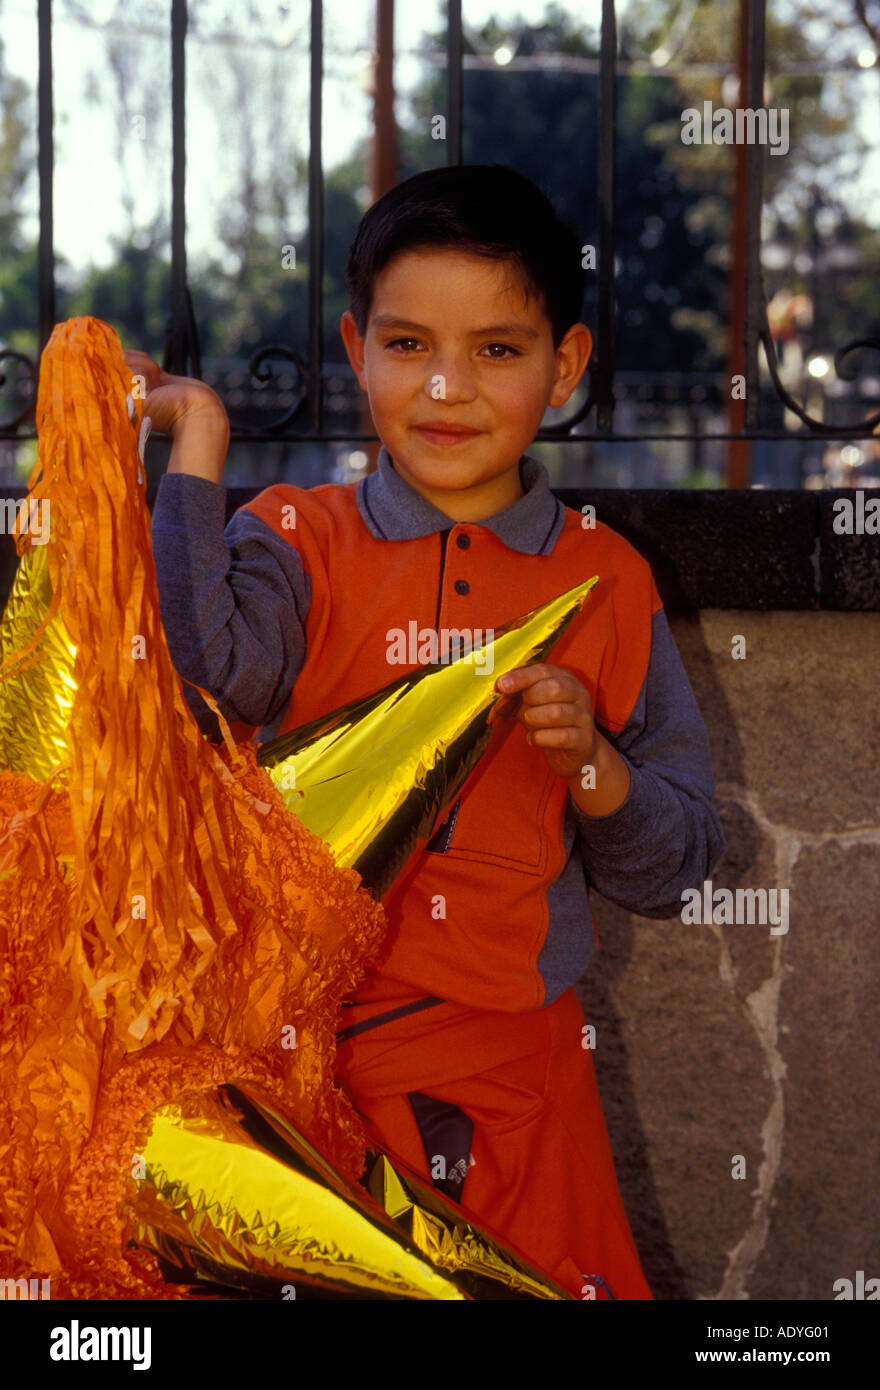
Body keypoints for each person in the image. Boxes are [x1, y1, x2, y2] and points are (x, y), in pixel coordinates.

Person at [133, 164, 726, 1301]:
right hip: (307, 1078)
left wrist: (592, 764)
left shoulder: (605, 581)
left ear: (566, 365)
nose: (447, 388)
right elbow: (210, 673)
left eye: (497, 351)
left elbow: (676, 863)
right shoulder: (300, 538)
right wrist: (198, 438)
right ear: (357, 349)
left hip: (520, 1085)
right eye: (408, 346)